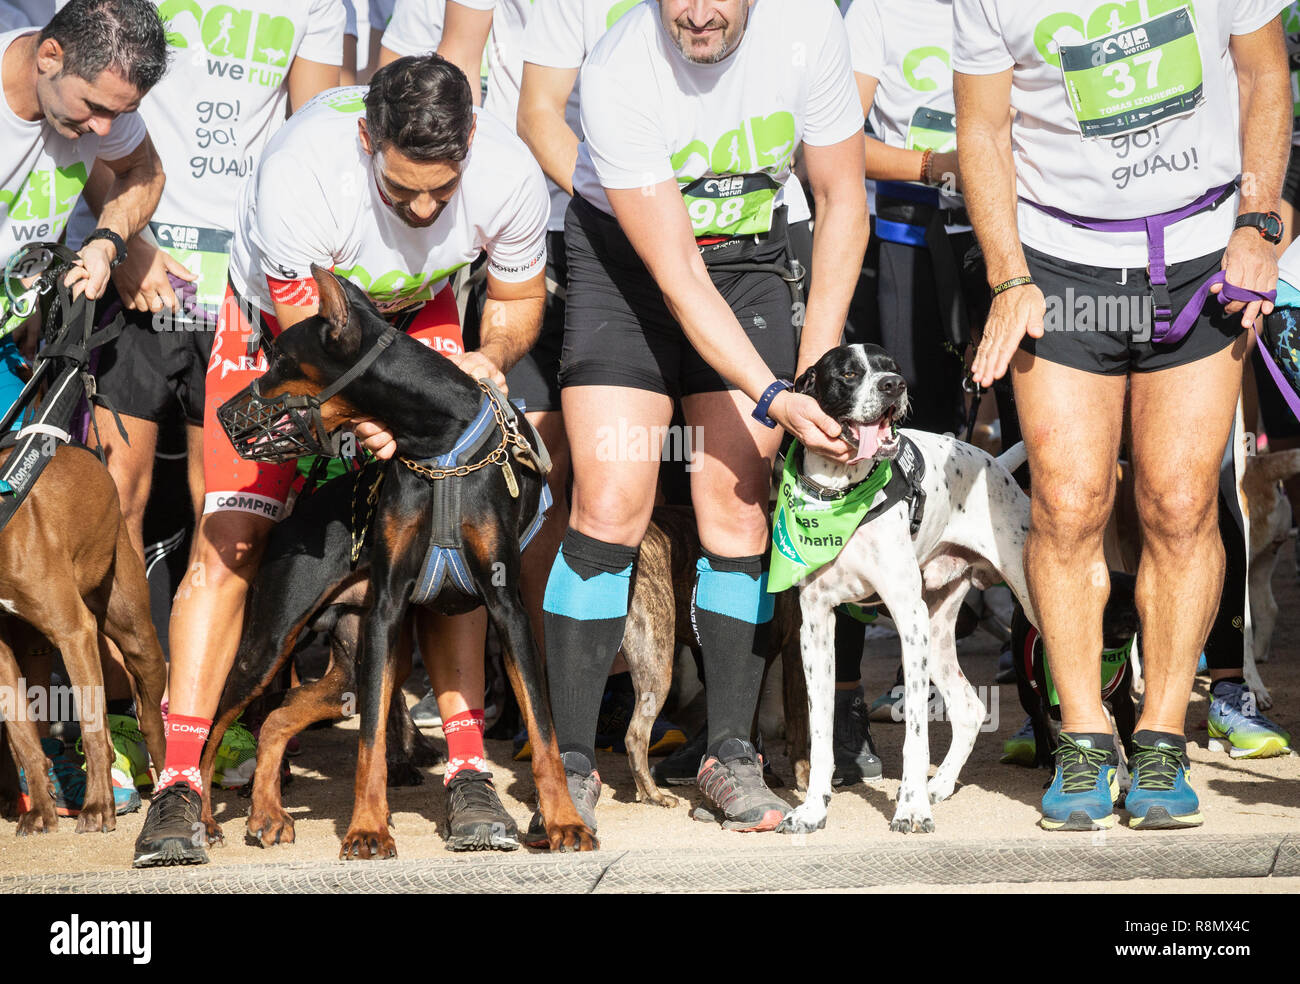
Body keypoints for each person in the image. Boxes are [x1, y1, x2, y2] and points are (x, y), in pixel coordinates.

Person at [131, 54, 550, 866]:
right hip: (290, 339)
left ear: (470, 140)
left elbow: (520, 300)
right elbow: (318, 354)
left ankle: (466, 765)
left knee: (448, 535)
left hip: (414, 321)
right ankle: (181, 780)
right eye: (402, 191)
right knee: (234, 540)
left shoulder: (509, 171)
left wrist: (487, 359)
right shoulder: (302, 173)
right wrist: (377, 421)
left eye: (443, 188)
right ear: (366, 141)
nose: (425, 207)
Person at [526, 0, 867, 841]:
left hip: (751, 259)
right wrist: (770, 390)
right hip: (628, 270)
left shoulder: (810, 27)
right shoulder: (617, 69)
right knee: (609, 501)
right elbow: (675, 270)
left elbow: (842, 197)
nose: (699, 13)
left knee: (738, 506)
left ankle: (729, 752)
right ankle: (569, 759)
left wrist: (812, 374)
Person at [955, 0, 1291, 830]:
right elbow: (983, 128)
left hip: (1201, 255)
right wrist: (1006, 275)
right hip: (1060, 266)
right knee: (1068, 504)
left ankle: (1163, 738)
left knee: (1179, 502)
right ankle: (1081, 737)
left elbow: (1263, 70)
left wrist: (1259, 221)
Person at [81, 0, 344, 799]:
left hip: (247, 286)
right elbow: (89, 125)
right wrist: (123, 237)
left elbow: (318, 129)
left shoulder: (317, 6)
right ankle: (120, 721)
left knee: (227, 519)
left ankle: (215, 721)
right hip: (143, 268)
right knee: (113, 506)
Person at [0, 0, 167, 815]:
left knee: (40, 593)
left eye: (121, 113)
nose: (104, 132)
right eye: (94, 108)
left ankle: (58, 765)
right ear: (48, 54)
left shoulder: (102, 118)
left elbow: (144, 175)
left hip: (25, 361)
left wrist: (106, 240)